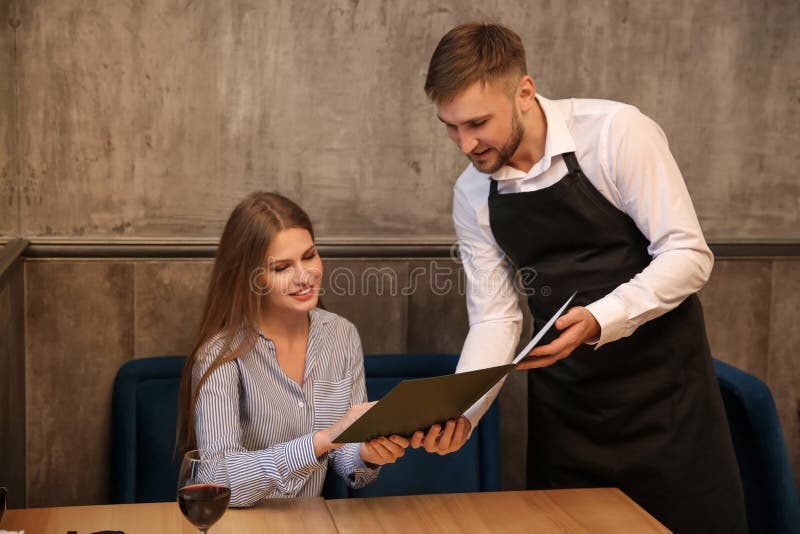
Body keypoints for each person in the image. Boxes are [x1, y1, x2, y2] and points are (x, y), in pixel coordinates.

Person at [414, 22, 747, 532]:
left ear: (524, 91)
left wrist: (599, 318)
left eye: (477, 123)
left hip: (667, 407)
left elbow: (688, 254)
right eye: (451, 127)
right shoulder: (472, 195)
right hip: (566, 419)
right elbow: (495, 319)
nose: (465, 144)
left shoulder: (617, 133)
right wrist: (462, 411)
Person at [177, 192, 408, 506]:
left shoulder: (341, 335)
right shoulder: (219, 355)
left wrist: (366, 453)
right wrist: (321, 441)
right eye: (282, 267)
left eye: (310, 256)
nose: (305, 277)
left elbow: (348, 463)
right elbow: (219, 479)